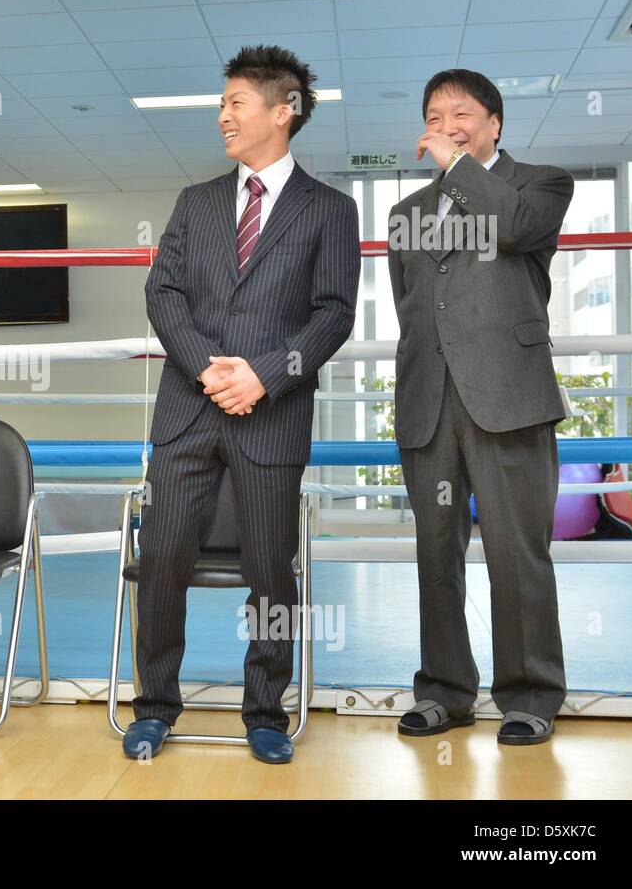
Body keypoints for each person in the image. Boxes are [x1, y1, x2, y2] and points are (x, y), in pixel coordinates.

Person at [126, 45, 360, 763]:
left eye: (236, 102)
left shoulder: (332, 210)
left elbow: (332, 314)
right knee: (162, 557)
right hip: (187, 412)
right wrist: (208, 371)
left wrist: (262, 376)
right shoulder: (194, 203)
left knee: (269, 569)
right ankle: (154, 706)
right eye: (221, 102)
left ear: (282, 111)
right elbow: (161, 294)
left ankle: (265, 712)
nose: (222, 114)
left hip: (273, 414)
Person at [388, 69, 573, 746]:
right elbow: (414, 304)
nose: (445, 121)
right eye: (434, 112)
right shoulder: (405, 213)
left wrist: (459, 166)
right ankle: (444, 691)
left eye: (460, 111)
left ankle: (530, 695)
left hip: (509, 398)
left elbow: (516, 230)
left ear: (495, 123)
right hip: (429, 403)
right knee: (435, 554)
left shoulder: (540, 185)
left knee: (515, 554)